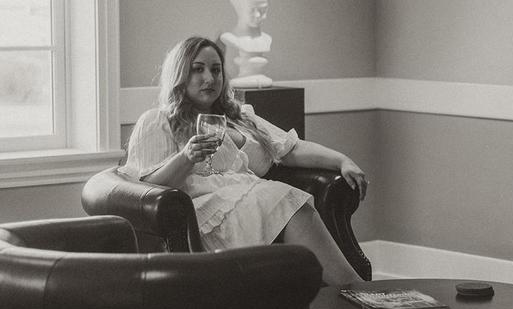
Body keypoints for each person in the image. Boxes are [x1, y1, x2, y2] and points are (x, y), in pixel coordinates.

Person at [122, 36, 369, 287]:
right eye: (198, 69)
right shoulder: (157, 121)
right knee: (286, 199)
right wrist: (186, 158)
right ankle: (355, 288)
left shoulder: (238, 116)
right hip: (202, 215)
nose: (209, 78)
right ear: (180, 74)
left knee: (288, 201)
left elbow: (290, 148)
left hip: (250, 202)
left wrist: (342, 161)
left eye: (216, 70)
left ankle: (345, 291)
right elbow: (147, 188)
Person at [220, 0, 273, 88]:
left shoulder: (267, 39)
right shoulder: (230, 38)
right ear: (238, 8)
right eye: (252, 10)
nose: (258, 15)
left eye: (263, 10)